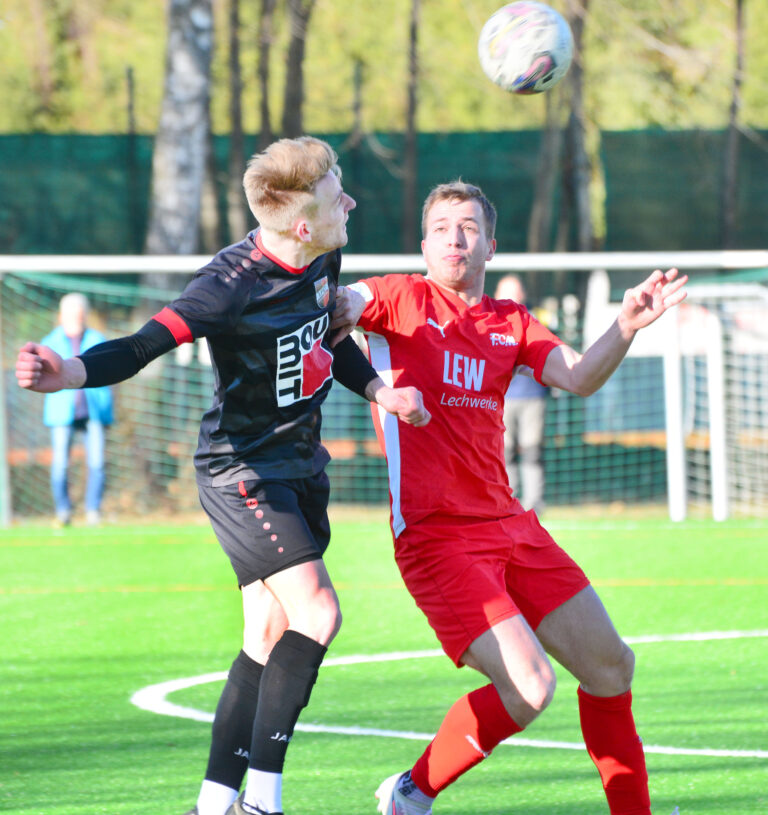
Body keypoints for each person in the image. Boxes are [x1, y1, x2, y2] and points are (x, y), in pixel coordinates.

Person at [15, 136, 430, 815]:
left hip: (300, 466)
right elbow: (142, 345)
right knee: (318, 612)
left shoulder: (324, 254)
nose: (351, 202)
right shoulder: (229, 284)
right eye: (338, 197)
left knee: (265, 637)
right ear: (302, 225)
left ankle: (212, 806)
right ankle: (263, 803)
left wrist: (381, 391)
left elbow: (330, 339)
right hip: (242, 472)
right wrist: (70, 373)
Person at [331, 180, 687, 815]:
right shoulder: (397, 297)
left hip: (512, 526)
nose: (455, 239)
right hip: (438, 537)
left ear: (490, 246)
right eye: (441, 228)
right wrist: (318, 285)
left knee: (611, 668)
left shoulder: (511, 321)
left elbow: (579, 376)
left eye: (469, 227)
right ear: (423, 245)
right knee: (530, 686)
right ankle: (411, 793)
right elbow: (342, 305)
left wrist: (626, 325)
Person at [40, 292, 113, 526]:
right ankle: (63, 511)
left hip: (94, 412)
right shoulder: (50, 343)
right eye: (71, 313)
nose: (76, 318)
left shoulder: (97, 339)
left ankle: (93, 511)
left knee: (97, 462)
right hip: (62, 412)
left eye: (79, 313)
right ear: (62, 315)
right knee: (60, 464)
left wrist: (107, 409)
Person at [493, 274, 549, 514]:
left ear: (523, 294)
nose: (511, 297)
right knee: (503, 452)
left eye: (515, 291)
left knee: (531, 450)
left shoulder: (535, 321)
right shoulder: (489, 322)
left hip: (532, 398)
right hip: (501, 400)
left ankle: (534, 504)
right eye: (506, 291)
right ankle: (508, 502)